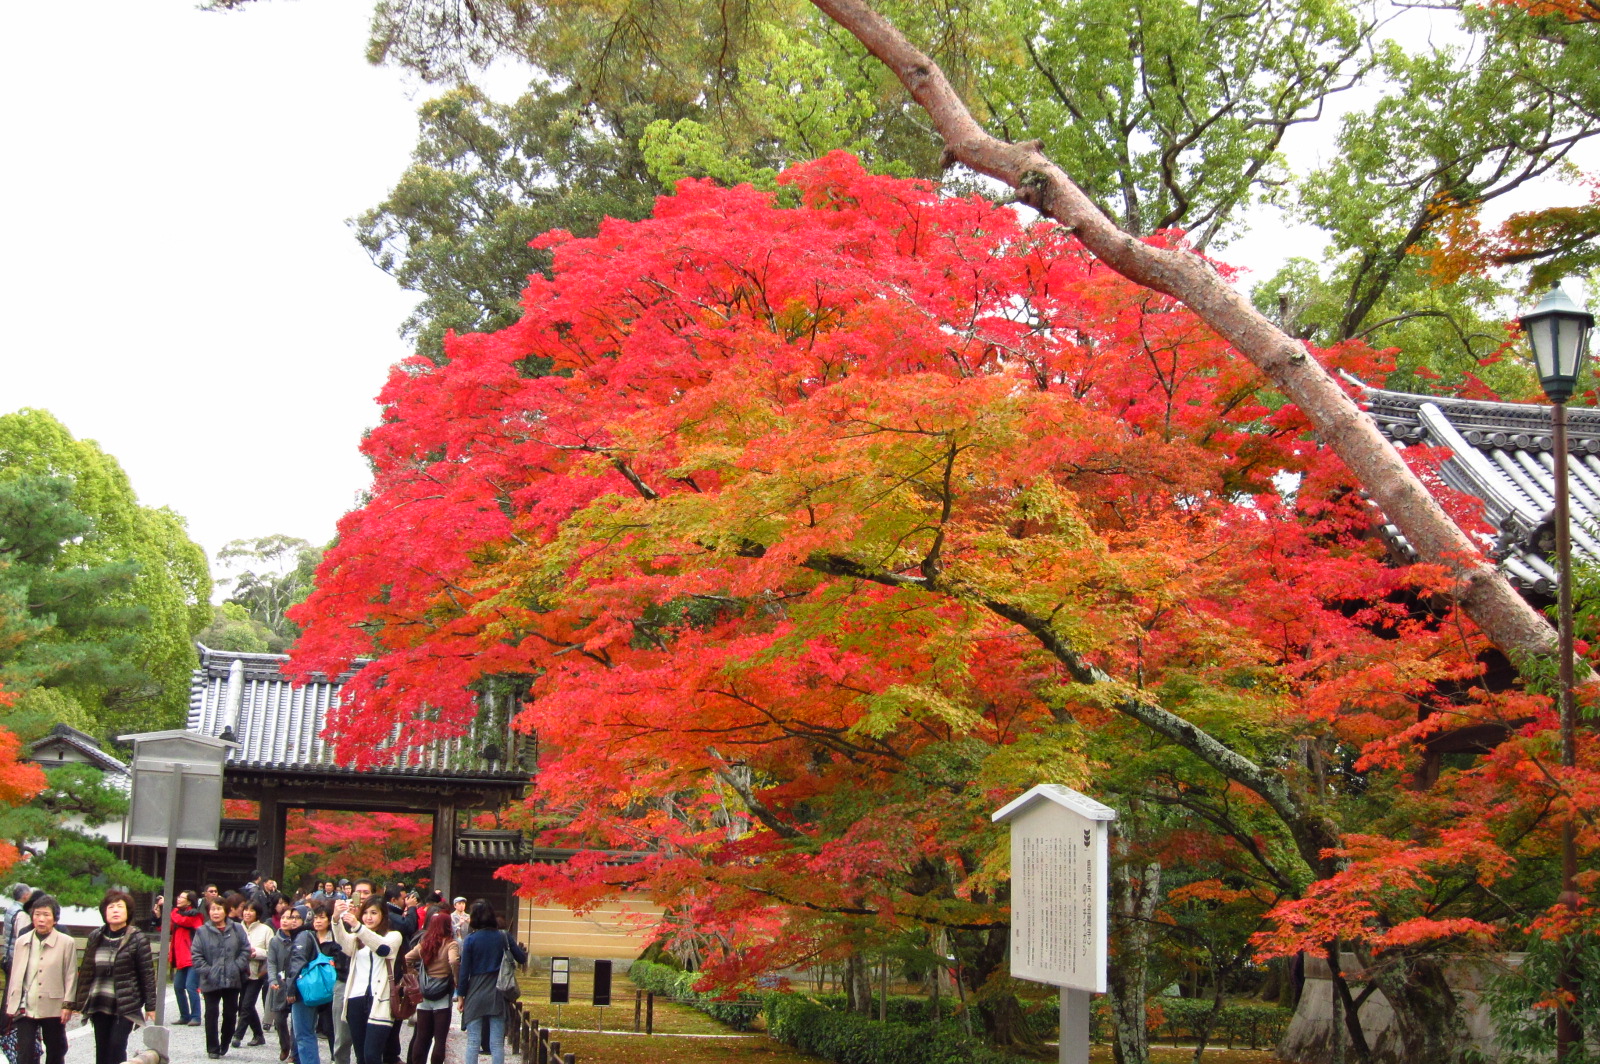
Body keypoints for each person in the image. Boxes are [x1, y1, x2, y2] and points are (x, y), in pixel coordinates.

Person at [68, 890, 157, 1064]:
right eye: (111, 907)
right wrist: (77, 1002)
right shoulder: (96, 936)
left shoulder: (137, 938)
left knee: (117, 1045)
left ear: (128, 912)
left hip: (126, 1003)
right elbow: (86, 971)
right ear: (104, 912)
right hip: (100, 1000)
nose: (115, 910)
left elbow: (147, 973)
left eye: (120, 907)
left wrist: (150, 1005)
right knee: (102, 1047)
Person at [5, 893, 75, 1064]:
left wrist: (68, 1005)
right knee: (25, 1052)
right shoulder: (22, 941)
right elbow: (15, 975)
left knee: (56, 1050)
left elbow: (70, 975)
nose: (41, 919)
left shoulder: (66, 942)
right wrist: (10, 1003)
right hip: (25, 1004)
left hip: (53, 1004)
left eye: (46, 915)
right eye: (37, 914)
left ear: (55, 919)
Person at [455, 900, 525, 1064]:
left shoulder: (470, 939)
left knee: (473, 1041)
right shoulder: (503, 936)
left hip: (475, 990)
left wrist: (461, 997)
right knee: (497, 1043)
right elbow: (521, 958)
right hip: (498, 991)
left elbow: (464, 972)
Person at [335, 898, 403, 1064]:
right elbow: (344, 945)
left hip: (380, 1001)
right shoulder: (357, 938)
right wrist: (336, 920)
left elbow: (383, 949)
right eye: (365, 913)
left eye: (373, 913)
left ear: (383, 915)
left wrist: (358, 927)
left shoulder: (393, 936)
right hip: (356, 999)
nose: (368, 917)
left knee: (372, 1055)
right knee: (361, 1057)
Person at [192, 895, 251, 1058]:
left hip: (232, 977)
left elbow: (245, 949)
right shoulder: (202, 931)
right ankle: (212, 1047)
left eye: (218, 909)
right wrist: (209, 971)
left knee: (230, 1013)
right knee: (211, 1013)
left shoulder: (237, 929)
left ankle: (225, 1042)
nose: (215, 912)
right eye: (212, 909)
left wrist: (236, 966)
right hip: (210, 978)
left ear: (225, 911)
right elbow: (196, 955)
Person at [287, 903, 340, 1064]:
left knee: (304, 1033)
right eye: (291, 917)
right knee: (307, 1032)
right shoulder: (309, 935)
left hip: (305, 989)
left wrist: (290, 989)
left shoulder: (303, 936)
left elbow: (298, 963)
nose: (293, 921)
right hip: (315, 988)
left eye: (298, 917)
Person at [404, 913, 459, 1064]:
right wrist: (455, 978)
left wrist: (415, 974)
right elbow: (453, 960)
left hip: (424, 992)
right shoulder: (451, 944)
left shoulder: (425, 944)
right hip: (442, 993)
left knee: (422, 1036)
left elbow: (407, 958)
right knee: (440, 1038)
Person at [265, 906, 302, 1063]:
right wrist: (272, 979)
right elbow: (271, 962)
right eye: (284, 918)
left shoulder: (301, 939)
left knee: (296, 1021)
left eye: (290, 918)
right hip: (280, 983)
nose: (286, 921)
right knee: (279, 1019)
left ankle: (294, 1052)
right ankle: (284, 1045)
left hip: (297, 983)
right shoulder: (275, 940)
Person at [163, 890, 205, 1026]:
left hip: (193, 956)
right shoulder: (179, 913)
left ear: (189, 901)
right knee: (178, 986)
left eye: (182, 897)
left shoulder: (195, 915)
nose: (179, 899)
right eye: (179, 896)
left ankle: (196, 1017)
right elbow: (168, 926)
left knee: (191, 986)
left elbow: (181, 921)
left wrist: (172, 911)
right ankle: (185, 1015)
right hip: (181, 957)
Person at [235, 902, 274, 1048]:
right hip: (239, 971)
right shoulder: (236, 928)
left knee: (247, 1004)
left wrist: (256, 952)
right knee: (244, 1005)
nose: (247, 913)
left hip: (257, 972)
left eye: (251, 910)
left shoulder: (266, 930)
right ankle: (258, 1035)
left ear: (257, 913)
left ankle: (237, 1035)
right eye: (245, 909)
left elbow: (272, 952)